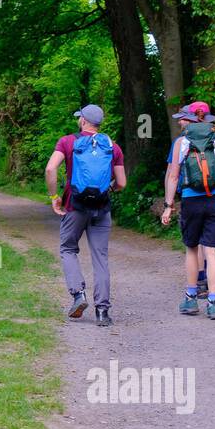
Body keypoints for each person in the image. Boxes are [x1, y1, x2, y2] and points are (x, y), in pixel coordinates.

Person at [45, 104, 127, 327]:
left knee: (68, 248)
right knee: (100, 257)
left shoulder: (68, 142)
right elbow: (121, 183)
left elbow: (51, 169)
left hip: (75, 205)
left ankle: (78, 295)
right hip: (101, 207)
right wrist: (106, 189)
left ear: (82, 121)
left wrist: (55, 197)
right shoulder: (112, 147)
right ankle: (102, 311)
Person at [161, 103, 215, 319]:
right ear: (209, 118)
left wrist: (168, 206)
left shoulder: (181, 142)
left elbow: (174, 176)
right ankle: (213, 302)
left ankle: (191, 298)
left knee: (192, 249)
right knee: (211, 251)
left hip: (191, 201)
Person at [168, 104, 210, 299]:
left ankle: (199, 282)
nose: (179, 121)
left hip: (190, 195)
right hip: (214, 194)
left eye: (183, 118)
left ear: (192, 119)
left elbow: (172, 172)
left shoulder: (181, 141)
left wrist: (169, 202)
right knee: (208, 243)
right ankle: (209, 282)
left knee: (194, 243)